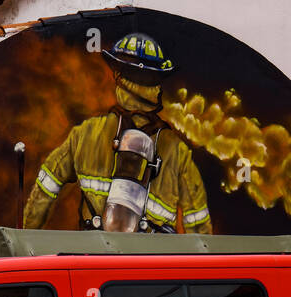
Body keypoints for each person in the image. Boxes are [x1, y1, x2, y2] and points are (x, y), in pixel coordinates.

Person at [23, 32, 212, 234]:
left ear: (119, 77)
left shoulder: (85, 133)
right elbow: (199, 228)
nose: (158, 88)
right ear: (152, 83)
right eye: (156, 80)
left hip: (93, 258)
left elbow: (42, 196)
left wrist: (24, 246)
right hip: (150, 263)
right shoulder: (177, 151)